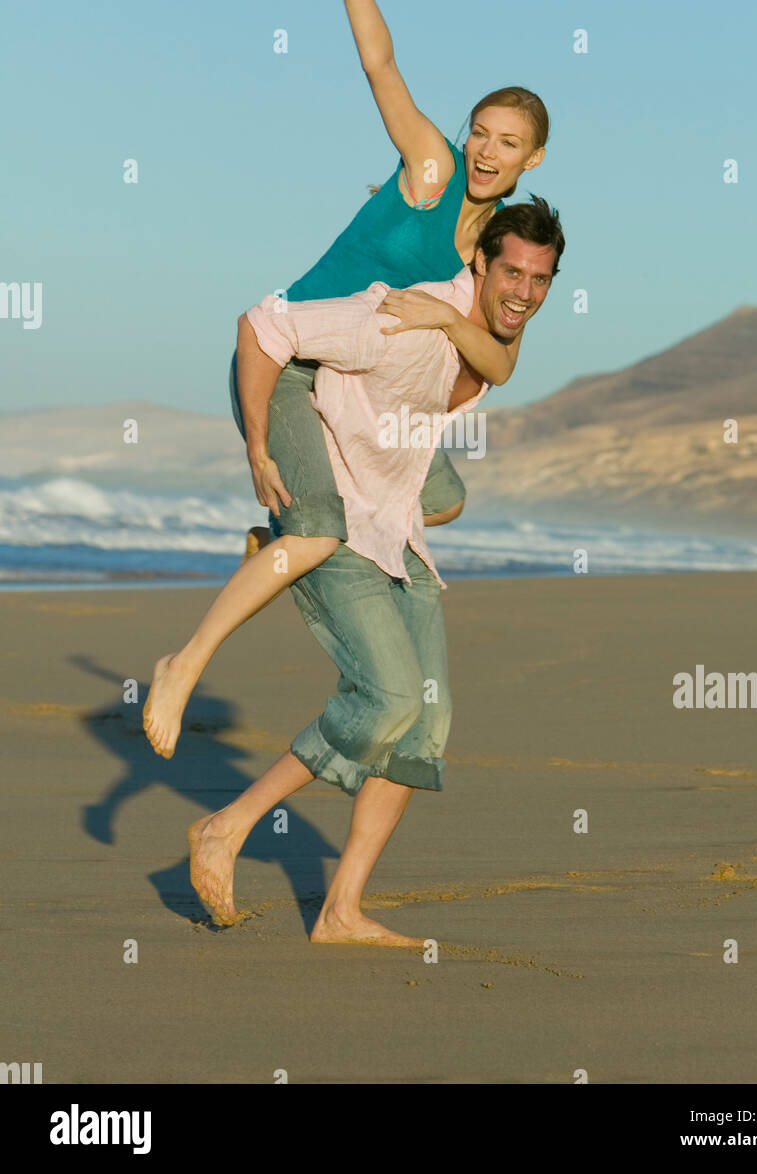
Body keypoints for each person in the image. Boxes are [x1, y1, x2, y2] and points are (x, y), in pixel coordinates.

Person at [143, 0, 551, 758]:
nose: (484, 149)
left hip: (347, 379)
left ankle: (279, 541)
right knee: (326, 525)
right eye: (481, 130)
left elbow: (500, 350)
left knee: (439, 494)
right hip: (287, 358)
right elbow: (380, 62)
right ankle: (186, 659)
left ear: (533, 158)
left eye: (506, 141)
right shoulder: (433, 169)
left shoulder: (495, 247)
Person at [184, 197, 565, 942]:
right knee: (388, 700)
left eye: (540, 278)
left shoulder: (480, 333)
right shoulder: (401, 315)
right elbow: (264, 326)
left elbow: (494, 362)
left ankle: (340, 911)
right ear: (479, 265)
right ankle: (227, 826)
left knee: (426, 726)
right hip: (344, 528)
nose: (523, 289)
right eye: (510, 271)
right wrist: (262, 448)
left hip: (395, 533)